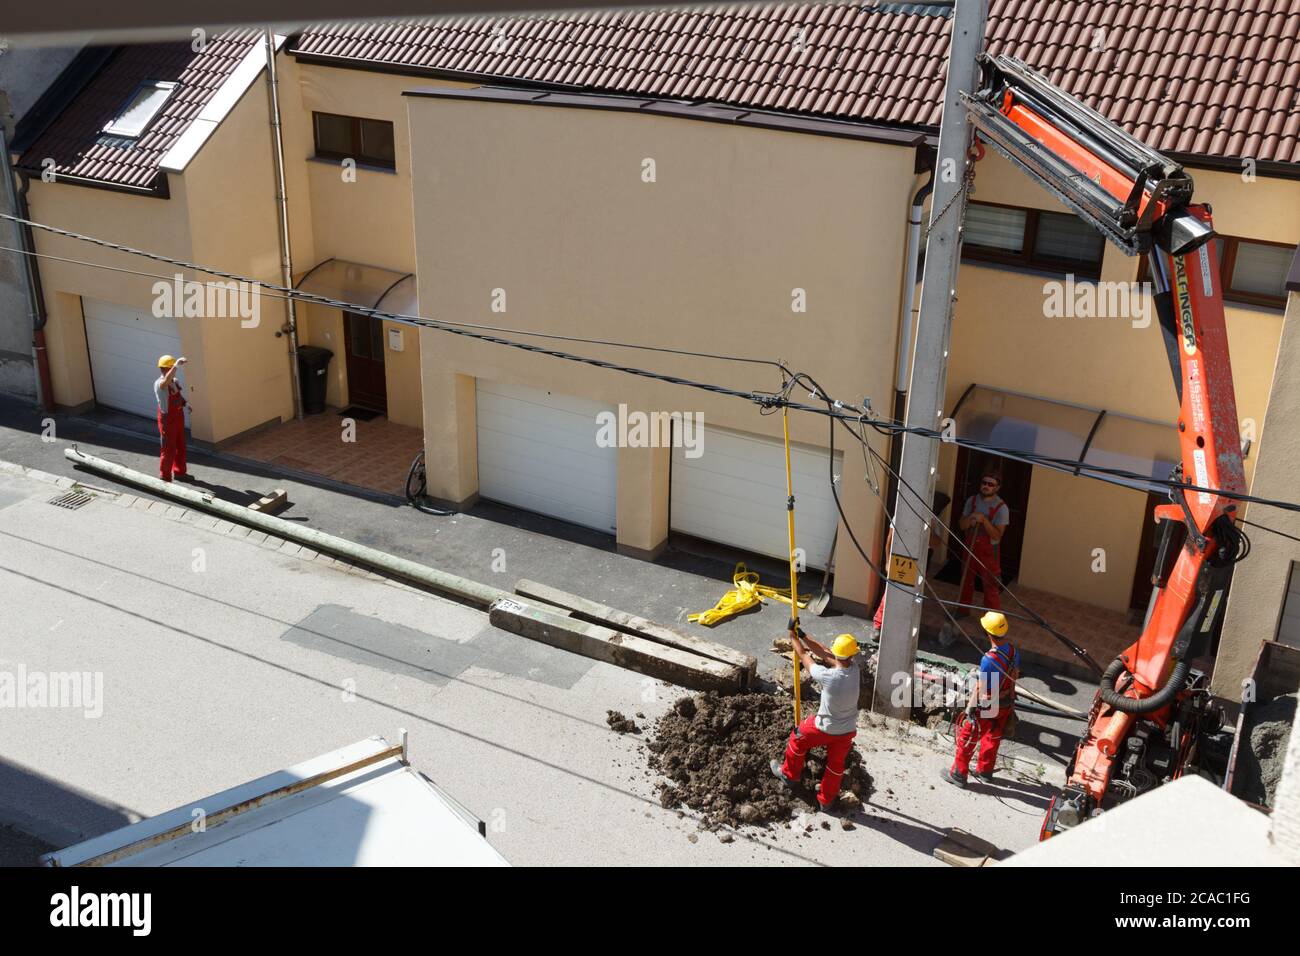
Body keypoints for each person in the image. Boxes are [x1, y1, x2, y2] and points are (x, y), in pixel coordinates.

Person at [770, 628, 861, 811]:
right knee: (835, 766)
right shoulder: (854, 669)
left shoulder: (828, 677)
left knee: (797, 738)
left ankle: (789, 775)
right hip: (846, 730)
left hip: (824, 728)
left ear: (837, 654)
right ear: (852, 655)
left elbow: (803, 654)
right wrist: (803, 635)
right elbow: (823, 651)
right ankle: (826, 800)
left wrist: (792, 636)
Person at [942, 611, 1020, 787]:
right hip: (1006, 703)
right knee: (993, 736)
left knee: (967, 736)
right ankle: (985, 771)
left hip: (989, 704)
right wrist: (1011, 699)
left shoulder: (989, 659)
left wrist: (969, 708)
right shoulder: (1014, 652)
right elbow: (1014, 676)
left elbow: (981, 687)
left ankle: (958, 774)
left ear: (987, 632)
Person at [957, 471, 1008, 614]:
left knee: (990, 586)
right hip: (970, 547)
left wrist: (984, 521)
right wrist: (971, 519)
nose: (986, 486)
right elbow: (961, 525)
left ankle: (992, 622)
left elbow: (997, 536)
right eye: (984, 483)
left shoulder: (1001, 508)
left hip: (988, 553)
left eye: (990, 484)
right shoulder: (971, 501)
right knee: (966, 580)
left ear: (997, 487)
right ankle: (962, 611)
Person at [154, 355, 190, 483]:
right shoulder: (159, 384)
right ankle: (165, 477)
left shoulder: (174, 381)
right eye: (170, 368)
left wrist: (186, 404)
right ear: (164, 369)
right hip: (167, 421)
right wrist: (176, 365)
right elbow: (166, 382)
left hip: (179, 417)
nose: (172, 371)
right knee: (169, 448)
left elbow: (178, 395)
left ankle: (180, 472)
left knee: (181, 446)